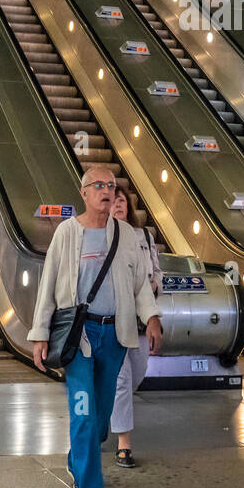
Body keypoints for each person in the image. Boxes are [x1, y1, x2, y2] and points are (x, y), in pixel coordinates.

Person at [30, 166, 164, 488]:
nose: (107, 190)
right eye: (99, 185)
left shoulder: (127, 235)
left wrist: (151, 317)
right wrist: (40, 333)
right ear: (84, 193)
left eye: (111, 185)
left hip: (115, 335)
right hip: (79, 338)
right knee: (85, 416)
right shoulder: (67, 233)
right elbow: (48, 284)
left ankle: (78, 458)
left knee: (101, 420)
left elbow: (139, 284)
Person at [109, 186, 163, 469]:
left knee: (137, 374)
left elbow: (156, 269)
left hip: (141, 318)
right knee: (121, 379)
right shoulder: (102, 235)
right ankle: (124, 445)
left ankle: (111, 411)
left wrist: (154, 286)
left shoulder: (143, 236)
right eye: (113, 201)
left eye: (121, 201)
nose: (118, 205)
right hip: (114, 316)